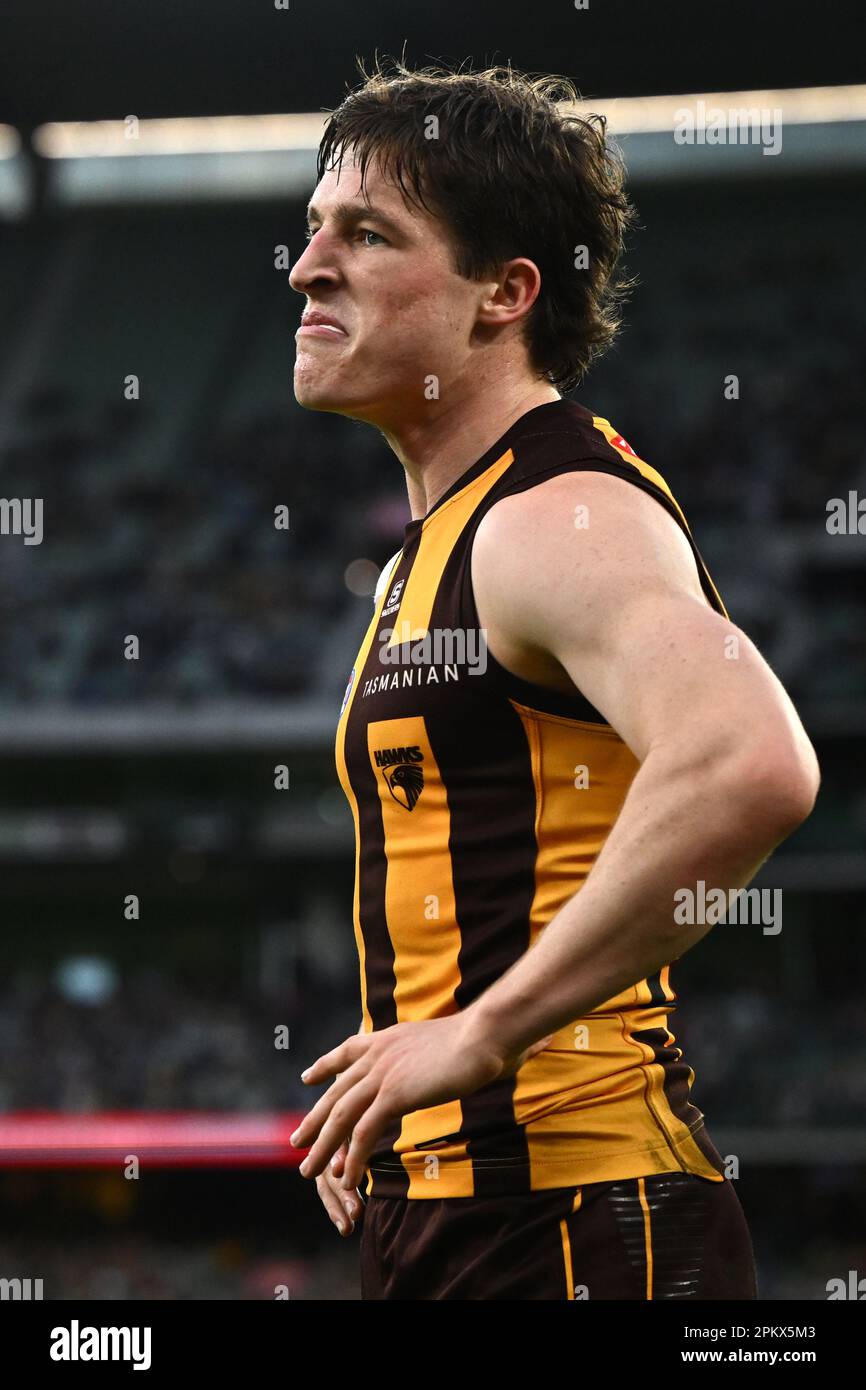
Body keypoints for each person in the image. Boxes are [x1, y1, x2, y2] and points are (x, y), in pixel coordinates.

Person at [287, 57, 820, 1299]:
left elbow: (749, 762)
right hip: (470, 1222)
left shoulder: (556, 514)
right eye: (312, 229)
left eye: (366, 235)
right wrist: (400, 1084)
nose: (309, 266)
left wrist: (478, 1034)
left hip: (584, 1222)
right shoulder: (432, 551)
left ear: (504, 293)